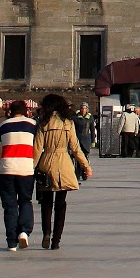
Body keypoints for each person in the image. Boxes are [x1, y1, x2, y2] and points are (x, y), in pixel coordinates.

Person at [34, 93, 91, 251]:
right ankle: (56, 240)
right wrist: (86, 166)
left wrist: (31, 167)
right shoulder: (68, 123)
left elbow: (37, 149)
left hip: (46, 162)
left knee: (46, 203)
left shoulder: (43, 123)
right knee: (61, 204)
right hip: (64, 162)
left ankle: (46, 232)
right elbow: (75, 148)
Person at [0, 100, 37, 250]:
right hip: (25, 168)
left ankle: (11, 242)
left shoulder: (3, 125)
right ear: (26, 111)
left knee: (10, 206)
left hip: (7, 168)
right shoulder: (32, 124)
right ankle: (24, 232)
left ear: (10, 112)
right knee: (25, 201)